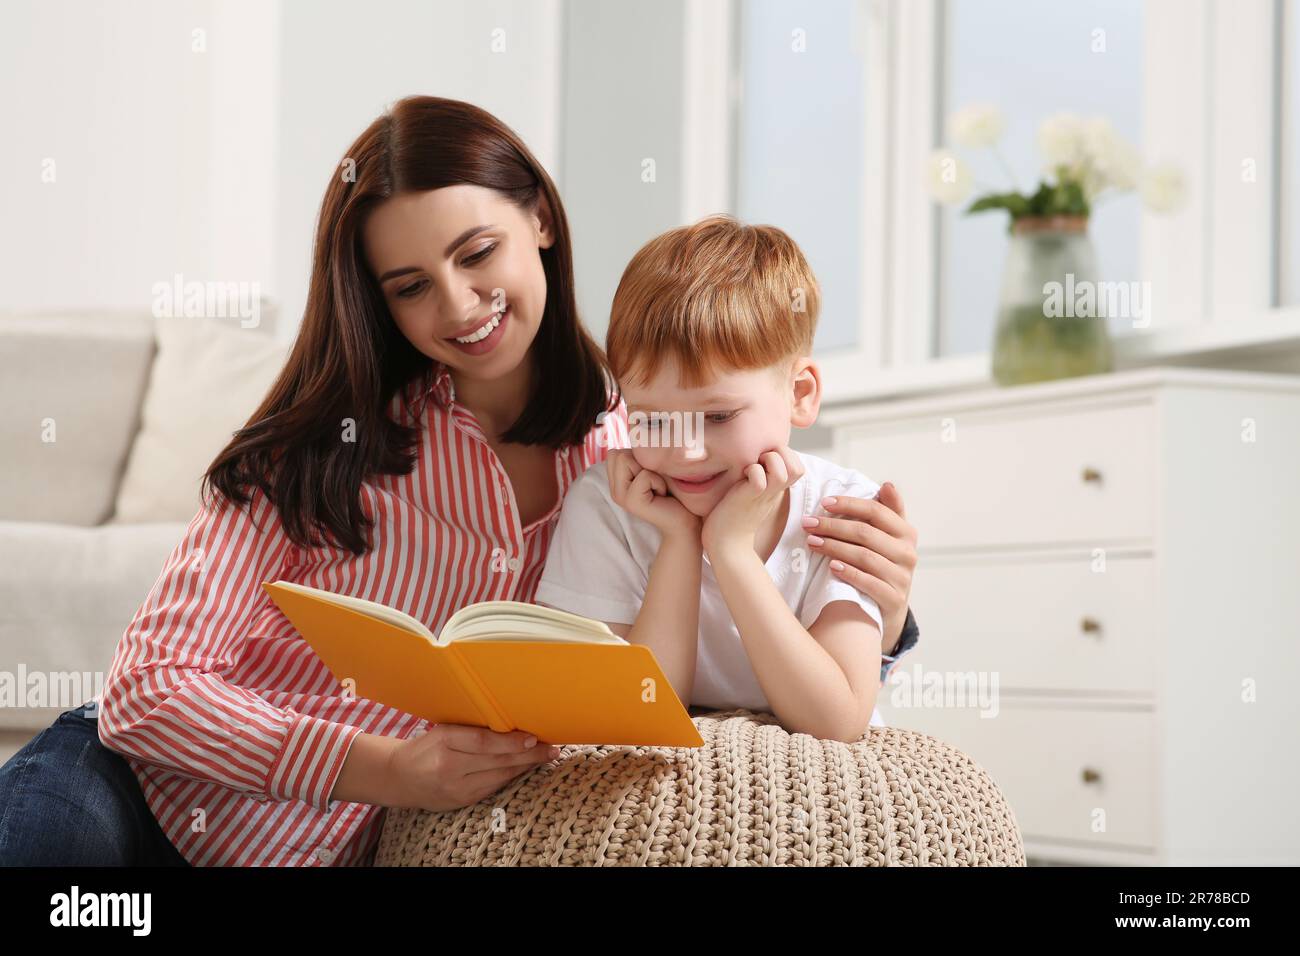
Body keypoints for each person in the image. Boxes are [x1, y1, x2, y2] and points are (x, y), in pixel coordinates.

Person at [0, 96, 919, 867]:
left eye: (477, 253)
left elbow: (694, 651)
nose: (457, 306)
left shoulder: (645, 448)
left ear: (542, 223)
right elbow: (146, 691)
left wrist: (886, 609)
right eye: (409, 285)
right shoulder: (318, 444)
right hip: (136, 802)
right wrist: (387, 770)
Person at [536, 216, 913, 742]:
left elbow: (838, 721)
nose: (686, 452)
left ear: (800, 394)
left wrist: (731, 551)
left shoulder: (842, 507)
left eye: (717, 417)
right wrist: (679, 542)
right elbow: (633, 719)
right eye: (654, 420)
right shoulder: (606, 505)